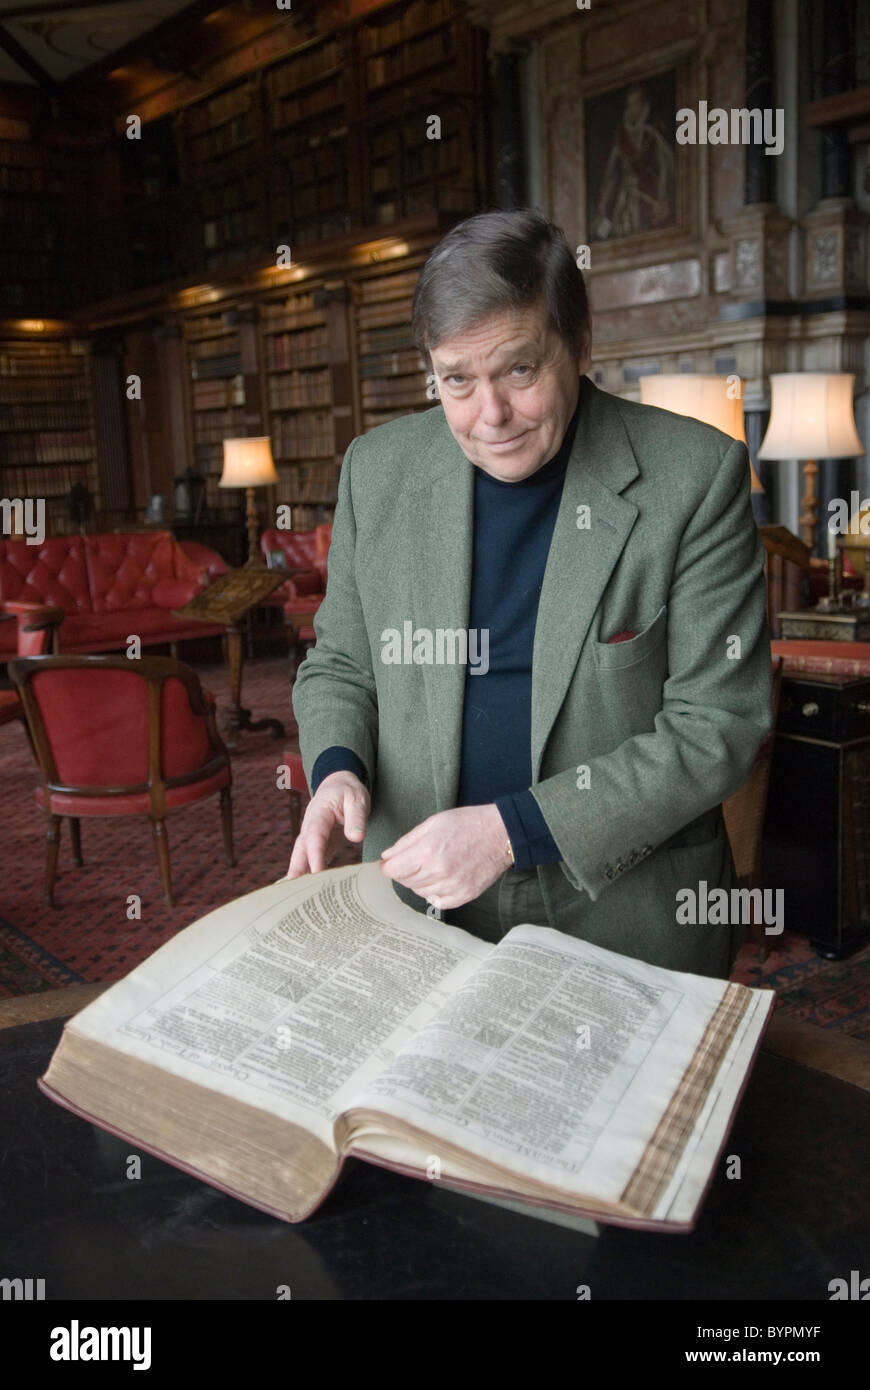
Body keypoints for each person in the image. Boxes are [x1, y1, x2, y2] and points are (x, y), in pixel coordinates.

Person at [287, 209, 773, 978]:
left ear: (579, 346)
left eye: (519, 370)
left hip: (622, 909)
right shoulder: (375, 472)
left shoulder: (696, 477)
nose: (491, 417)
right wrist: (338, 766)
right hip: (414, 891)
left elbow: (718, 727)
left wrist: (510, 831)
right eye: (457, 381)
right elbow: (342, 663)